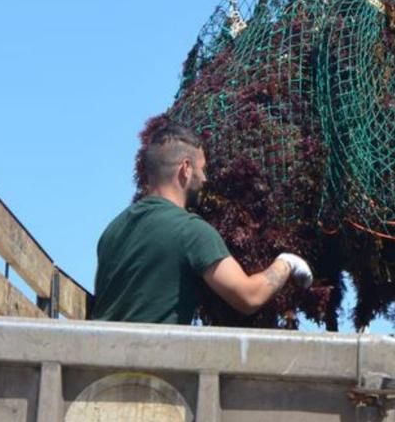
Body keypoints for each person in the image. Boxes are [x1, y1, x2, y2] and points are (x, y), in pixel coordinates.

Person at [91, 120, 312, 324]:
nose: (205, 178)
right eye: (202, 169)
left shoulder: (113, 231)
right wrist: (286, 264)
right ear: (186, 168)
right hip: (154, 355)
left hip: (100, 353)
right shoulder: (191, 231)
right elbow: (249, 296)